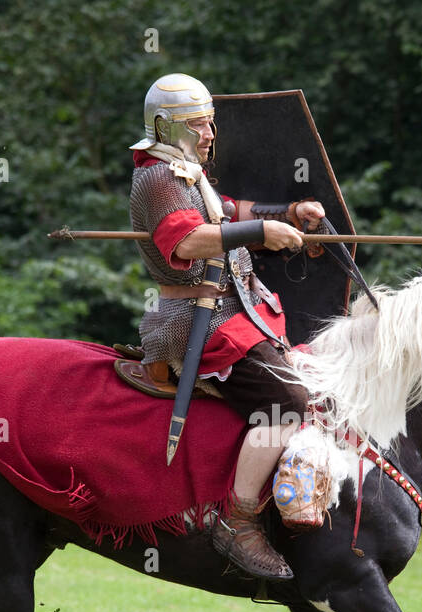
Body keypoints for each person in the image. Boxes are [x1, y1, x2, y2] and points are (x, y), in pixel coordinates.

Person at [128, 73, 324, 581]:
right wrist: (262, 232)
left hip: (235, 313)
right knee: (289, 403)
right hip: (196, 320)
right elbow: (188, 241)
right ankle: (237, 521)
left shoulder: (185, 171)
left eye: (211, 123)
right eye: (199, 124)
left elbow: (226, 211)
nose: (210, 133)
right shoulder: (156, 178)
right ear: (166, 126)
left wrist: (289, 213)